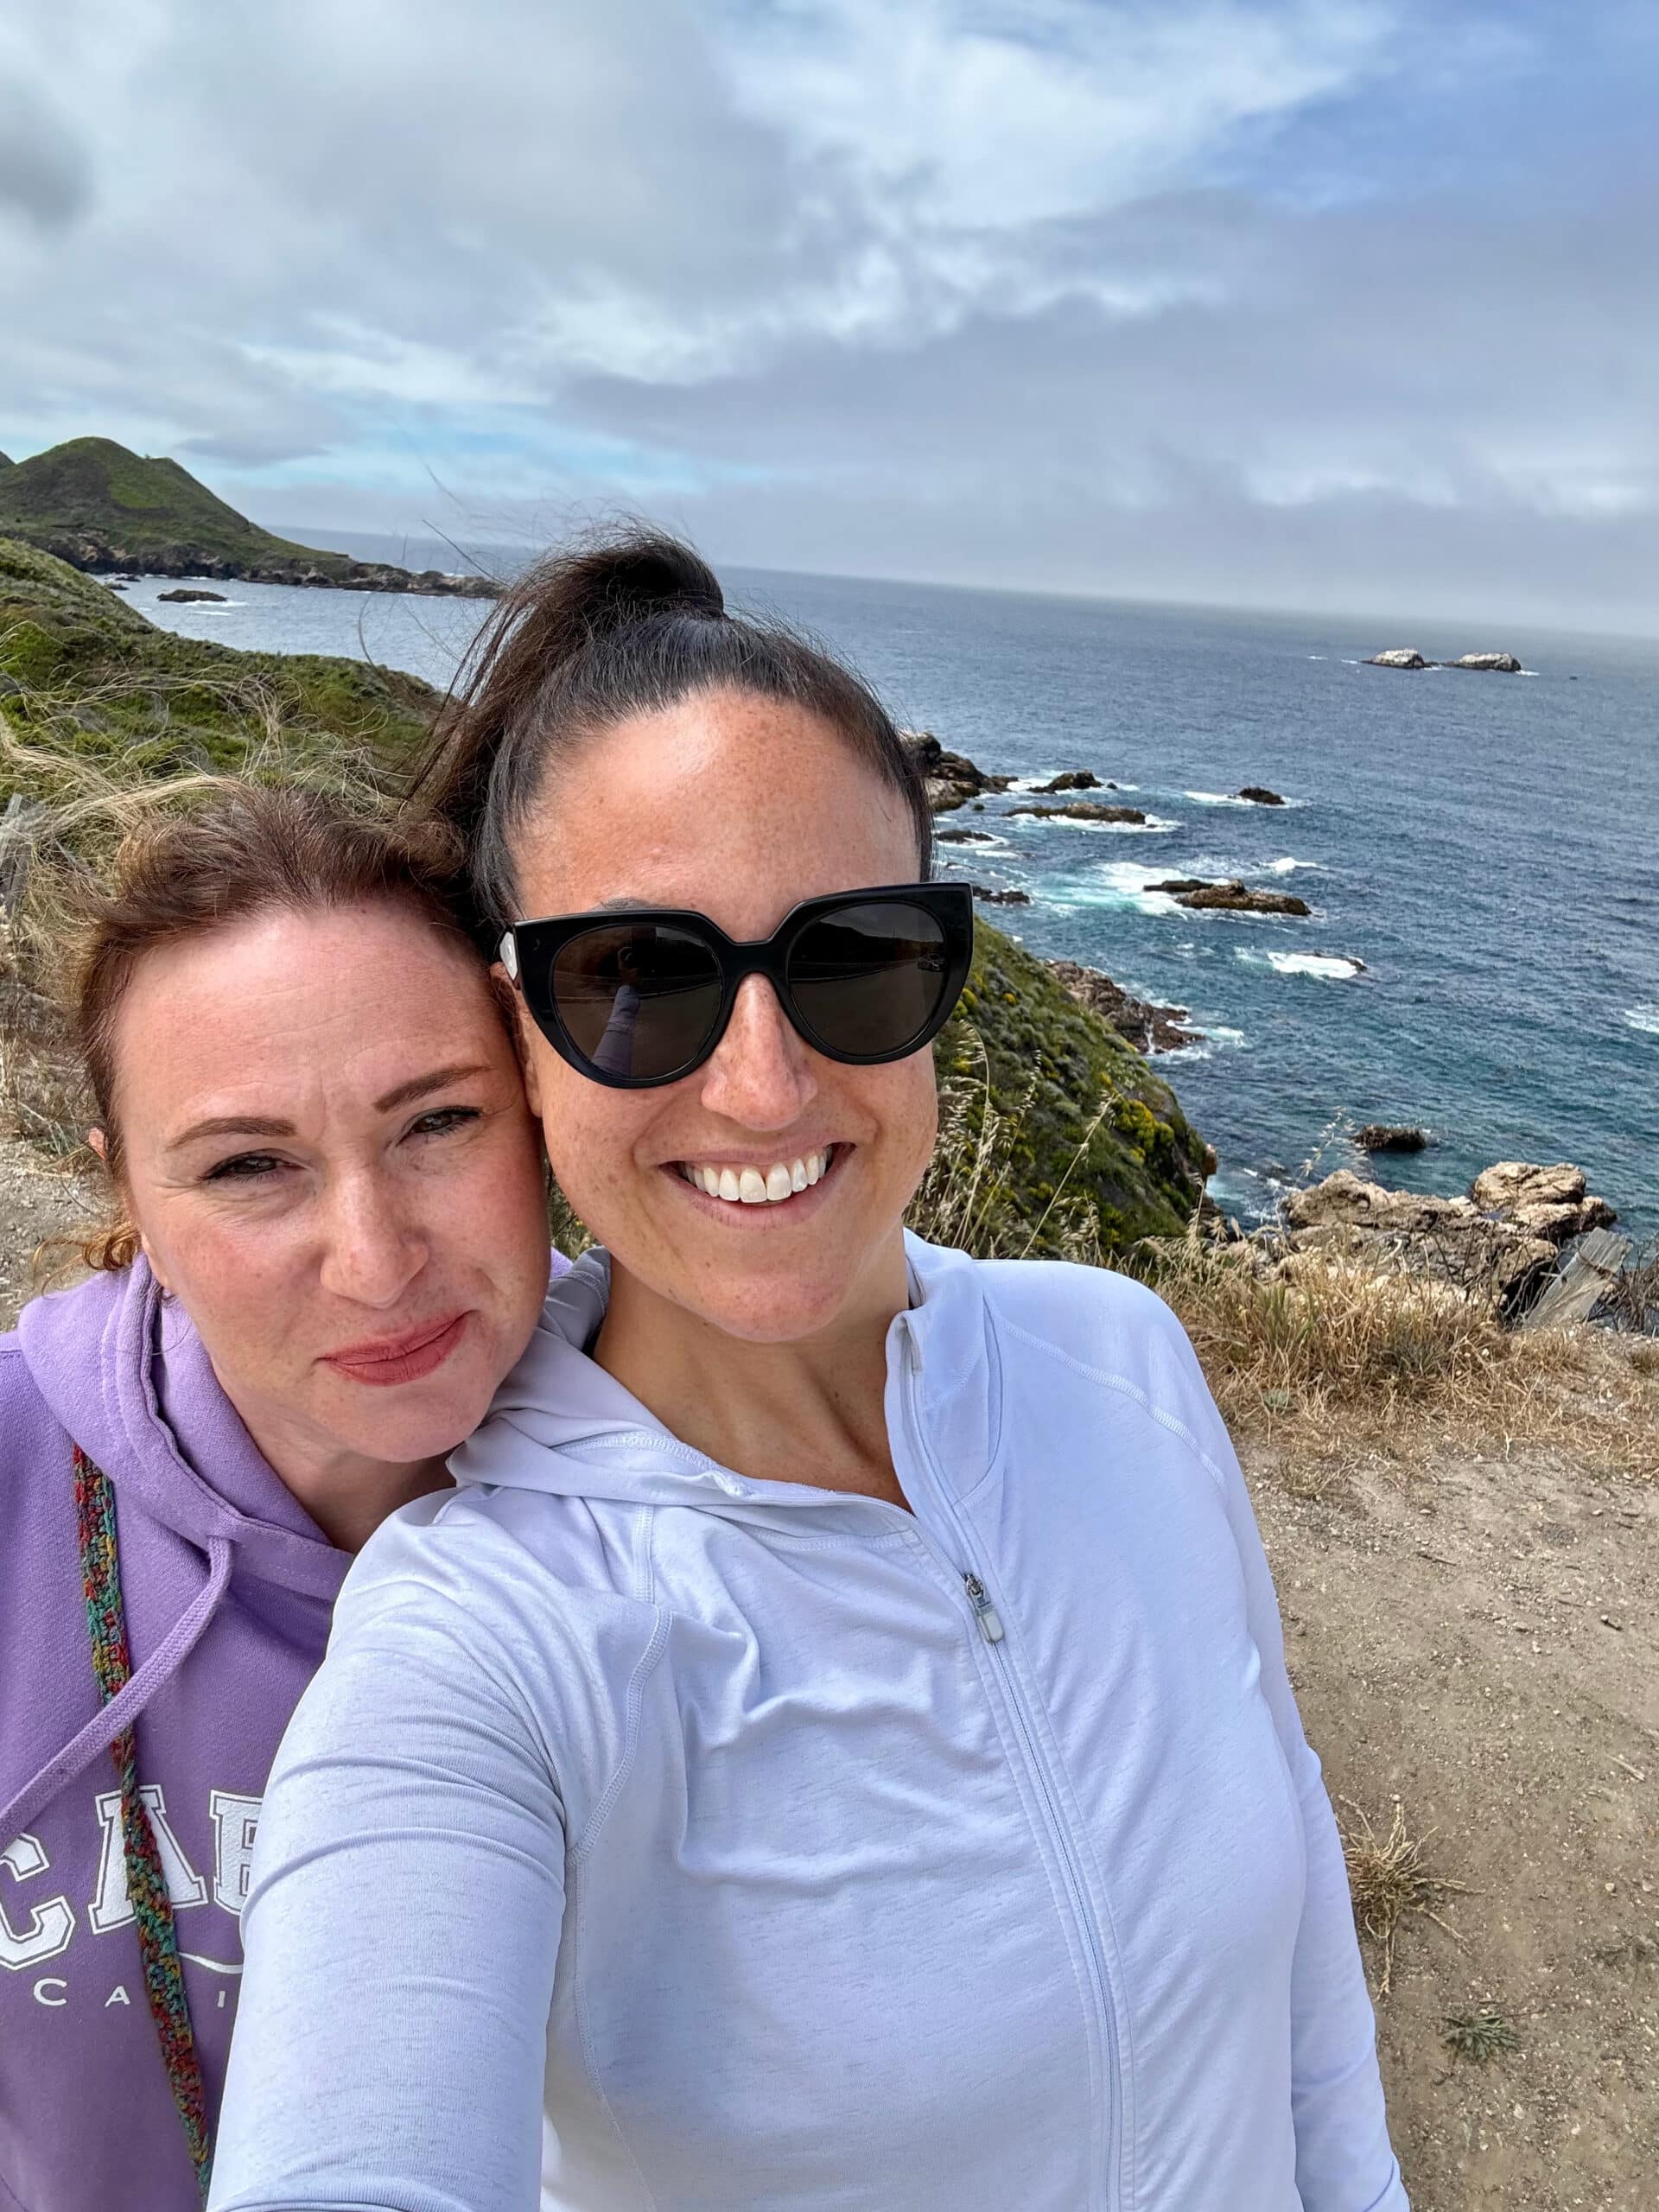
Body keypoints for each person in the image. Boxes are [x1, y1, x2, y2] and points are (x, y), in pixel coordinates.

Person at [212, 535, 1408, 2211]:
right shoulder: (485, 1646)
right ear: (517, 1030)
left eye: (851, 956)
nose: (765, 1088)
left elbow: (1301, 1982)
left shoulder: (1121, 1353)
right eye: (639, 975)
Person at [0, 784, 562, 2212]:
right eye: (251, 1166)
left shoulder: (707, 1499)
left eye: (439, 1122)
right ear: (130, 1194)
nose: (375, 1263)